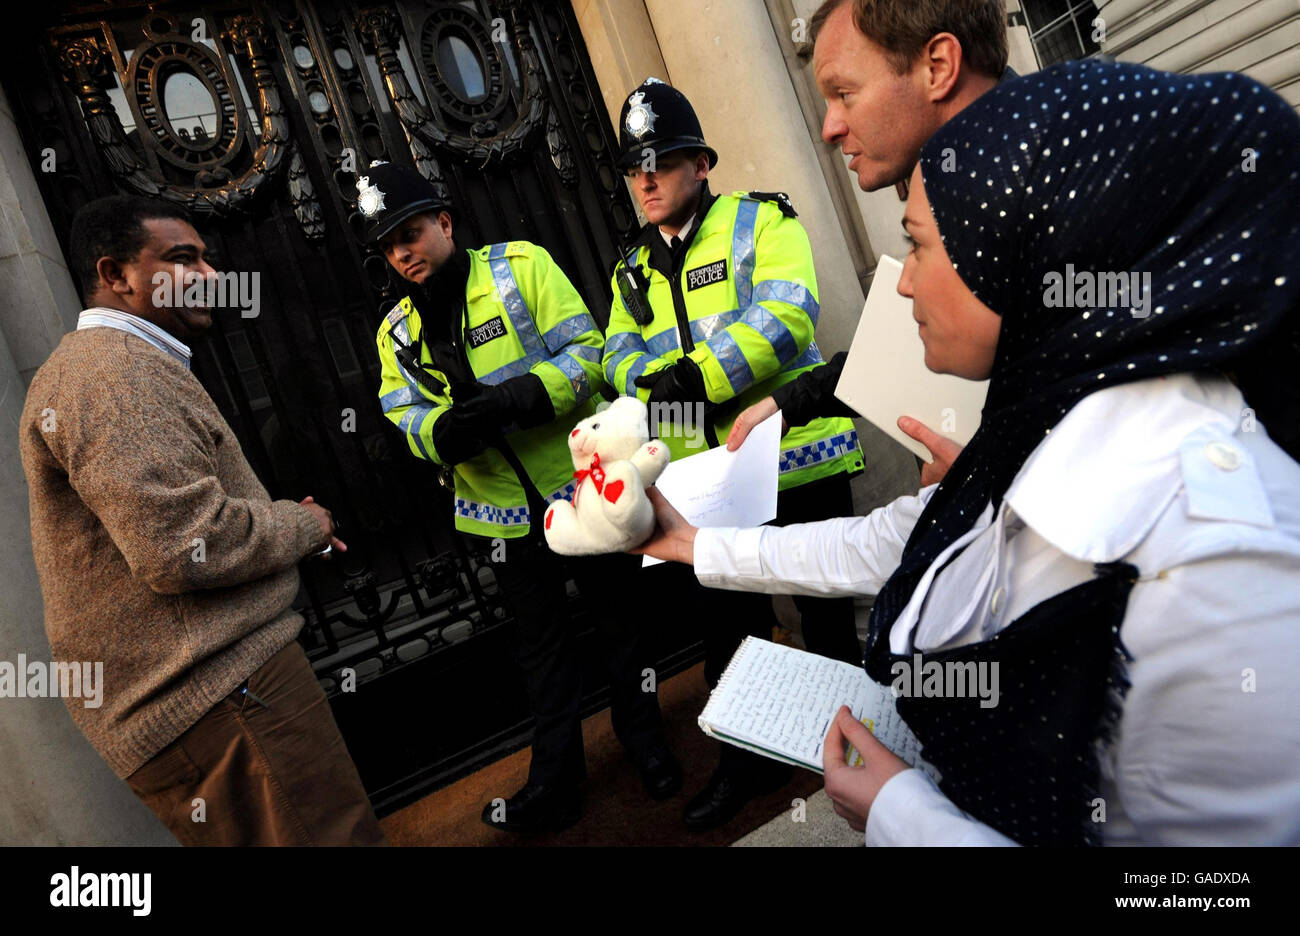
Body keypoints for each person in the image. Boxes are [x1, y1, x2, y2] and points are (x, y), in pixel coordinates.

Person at [636, 60, 1300, 845]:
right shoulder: (1036, 420)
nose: (904, 287)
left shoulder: (1224, 563)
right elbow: (884, 543)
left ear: (1026, 253)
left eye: (917, 247)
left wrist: (900, 815)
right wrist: (695, 545)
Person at [19, 195, 382, 845]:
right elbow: (181, 546)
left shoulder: (116, 366)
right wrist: (303, 527)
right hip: (221, 699)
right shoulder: (112, 374)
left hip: (218, 697)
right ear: (118, 275)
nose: (212, 276)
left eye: (207, 257)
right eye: (182, 259)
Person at [359, 161, 681, 834]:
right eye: (389, 245)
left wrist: (521, 396)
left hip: (581, 489)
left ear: (445, 221)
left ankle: (647, 743)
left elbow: (589, 352)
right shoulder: (394, 332)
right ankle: (556, 780)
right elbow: (400, 416)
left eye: (411, 232)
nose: (403, 253)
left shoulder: (521, 265)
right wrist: (441, 434)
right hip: (500, 511)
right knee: (542, 650)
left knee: (620, 624)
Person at [604, 78, 866, 831]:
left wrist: (701, 373)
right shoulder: (630, 269)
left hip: (796, 460)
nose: (646, 179)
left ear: (701, 163)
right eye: (634, 167)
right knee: (726, 625)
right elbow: (617, 358)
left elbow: (787, 313)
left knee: (823, 618)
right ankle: (746, 766)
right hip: (711, 478)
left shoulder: (761, 221)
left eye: (662, 160)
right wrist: (657, 384)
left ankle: (852, 760)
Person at [728, 0, 1014, 465]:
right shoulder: (968, 171)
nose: (829, 128)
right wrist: (795, 400)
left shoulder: (1068, 194)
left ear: (938, 68)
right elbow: (910, 348)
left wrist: (990, 488)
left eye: (844, 93)